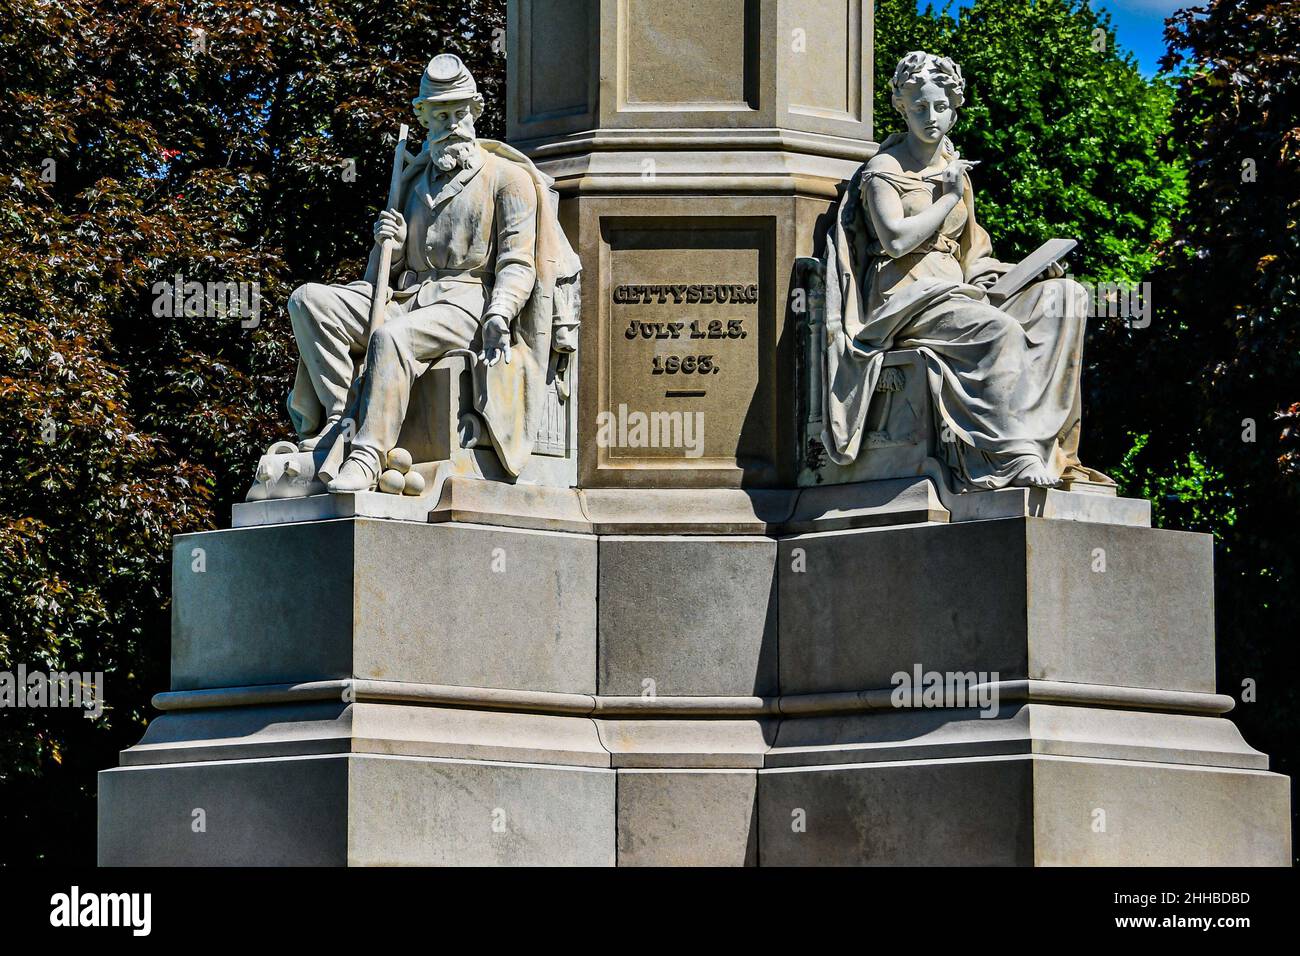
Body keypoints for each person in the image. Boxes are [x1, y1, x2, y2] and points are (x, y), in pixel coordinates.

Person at [821, 50, 1111, 490]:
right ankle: (1012, 455)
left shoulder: (954, 172)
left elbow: (971, 253)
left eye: (941, 106)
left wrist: (1022, 272)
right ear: (901, 106)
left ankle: (1050, 444)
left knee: (1066, 299)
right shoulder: (885, 170)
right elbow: (895, 240)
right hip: (906, 294)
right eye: (919, 107)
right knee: (999, 332)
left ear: (955, 109)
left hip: (958, 289)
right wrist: (947, 199)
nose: (930, 116)